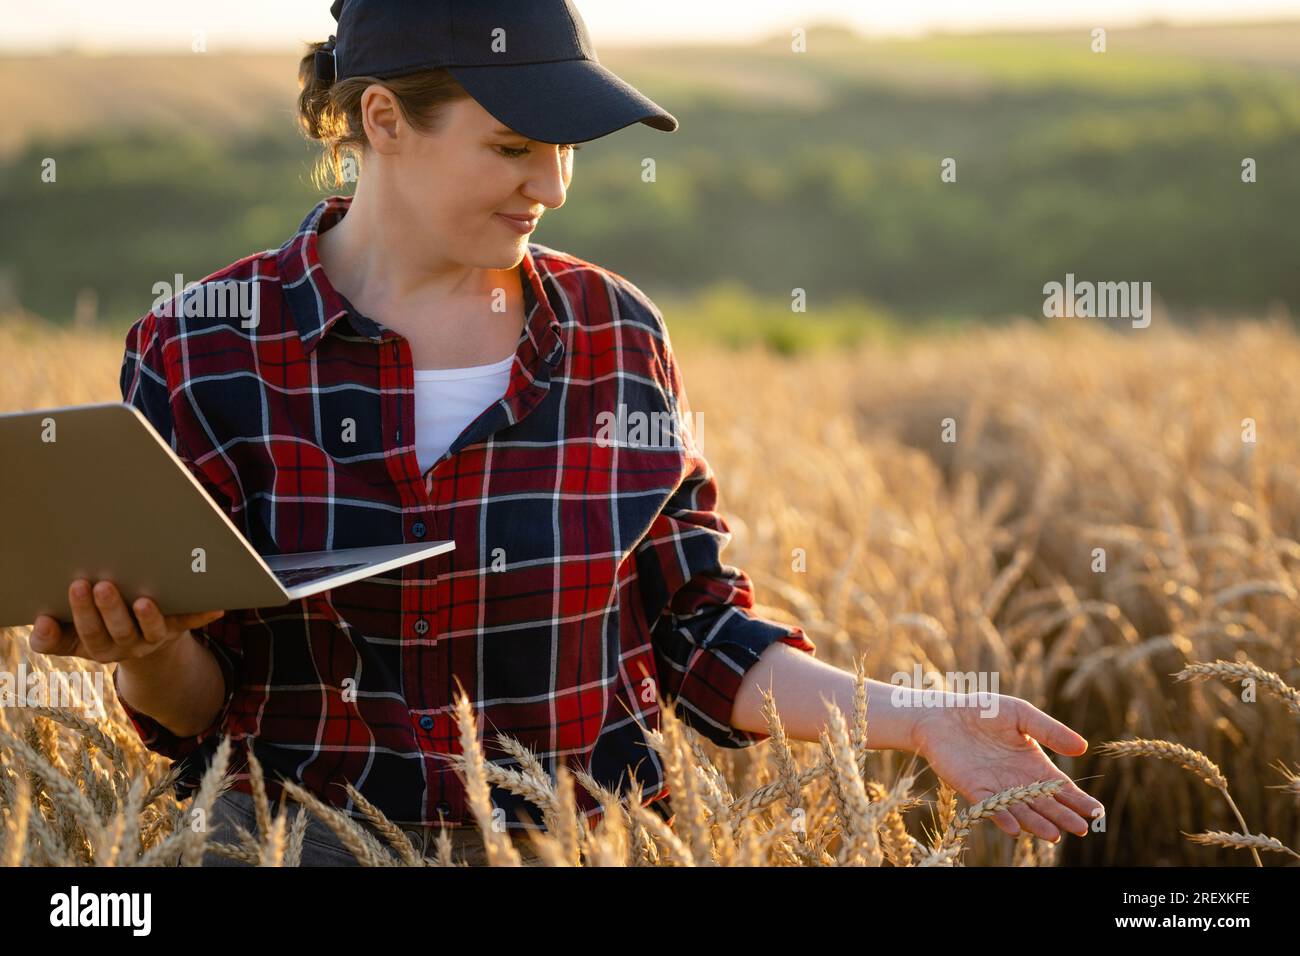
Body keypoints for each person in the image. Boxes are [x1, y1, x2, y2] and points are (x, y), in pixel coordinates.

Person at [26, 0, 1103, 866]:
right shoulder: (203, 344)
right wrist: (150, 648)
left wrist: (918, 718)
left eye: (565, 150)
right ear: (385, 120)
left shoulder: (614, 334)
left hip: (582, 844)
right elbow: (201, 706)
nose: (549, 186)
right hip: (284, 844)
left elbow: (694, 628)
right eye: (510, 147)